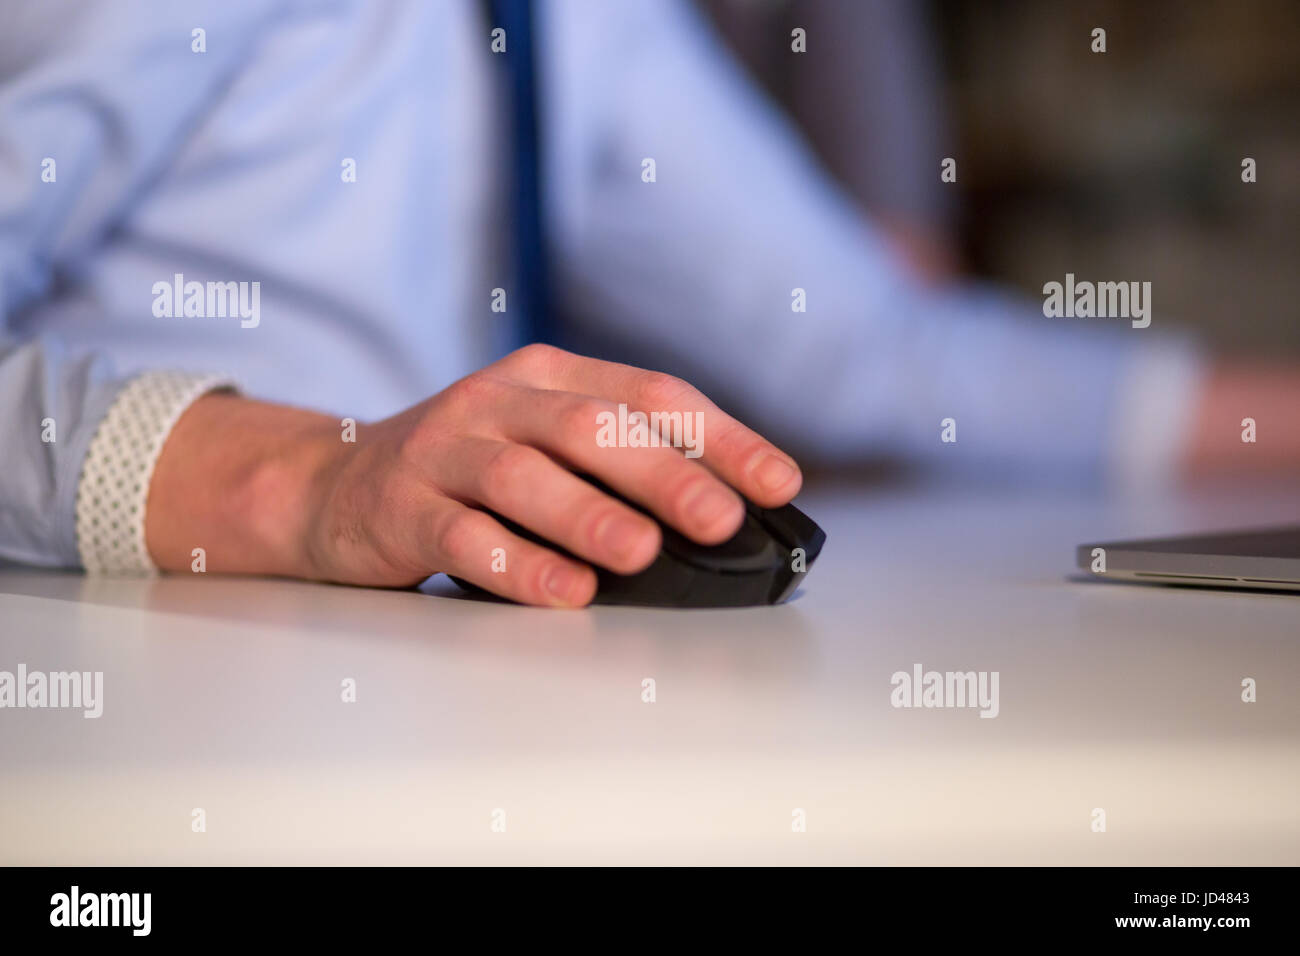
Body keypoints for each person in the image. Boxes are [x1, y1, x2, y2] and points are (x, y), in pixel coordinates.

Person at [1, 0, 1296, 606]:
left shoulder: (587, 19)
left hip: (449, 670)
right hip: (145, 659)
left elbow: (863, 342)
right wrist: (298, 483)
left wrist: (1267, 423)